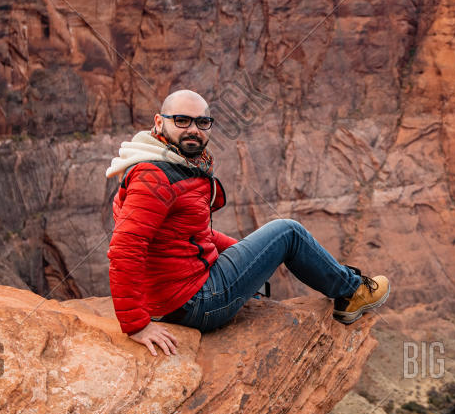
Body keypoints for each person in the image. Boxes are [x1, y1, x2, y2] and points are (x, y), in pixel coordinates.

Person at [105, 89, 390, 356]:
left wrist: (247, 259)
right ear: (159, 122)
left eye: (202, 122)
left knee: (274, 239)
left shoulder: (169, 163)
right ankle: (352, 292)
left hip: (178, 295)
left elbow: (188, 234)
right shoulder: (154, 177)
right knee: (288, 231)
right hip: (194, 304)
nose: (193, 129)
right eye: (182, 120)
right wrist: (137, 324)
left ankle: (345, 288)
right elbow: (124, 248)